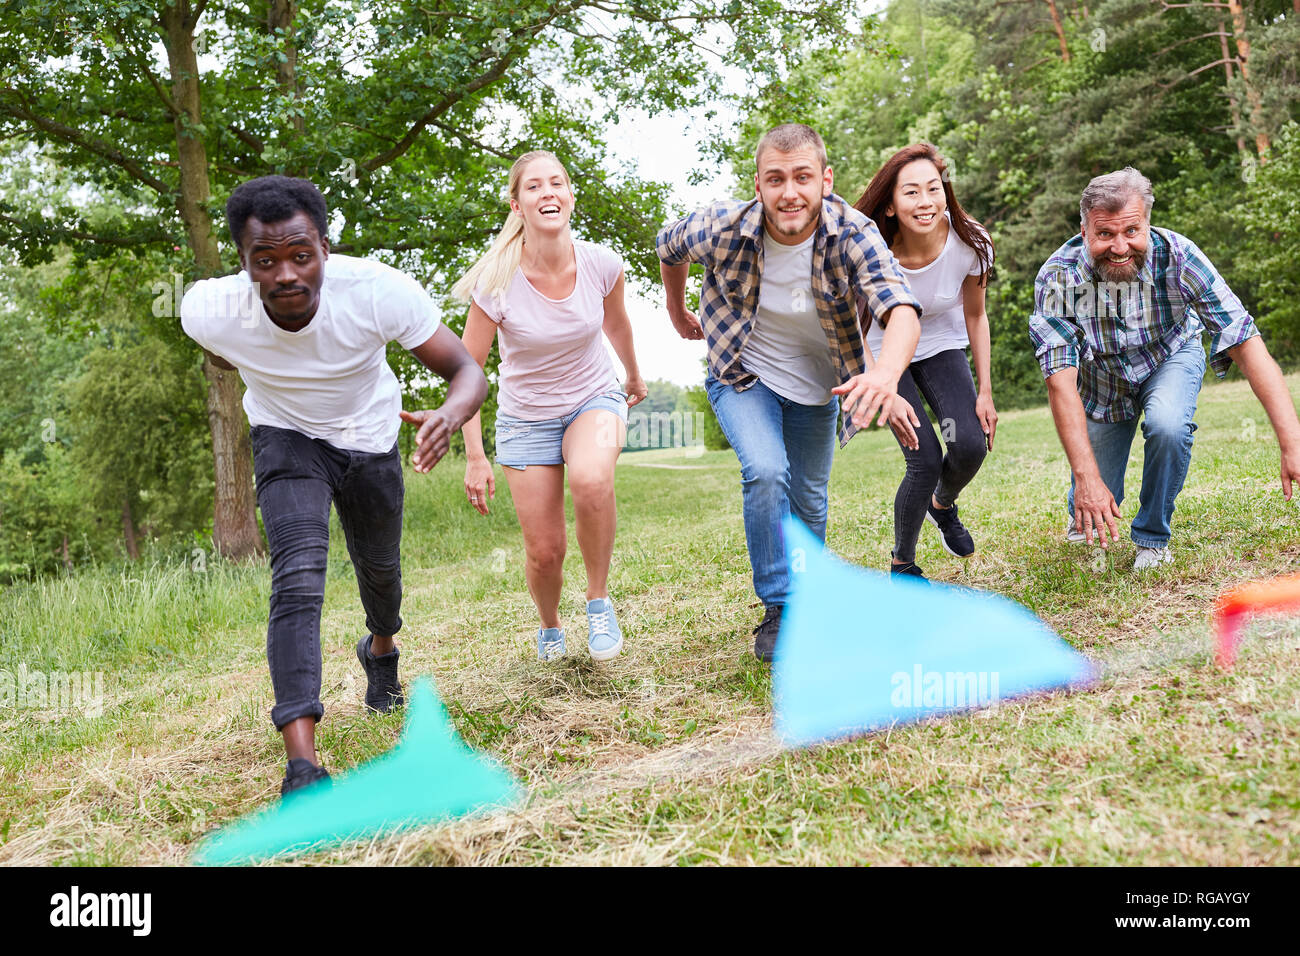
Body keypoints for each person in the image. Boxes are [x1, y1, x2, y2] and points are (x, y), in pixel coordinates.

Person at [181, 175, 487, 796]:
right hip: (286, 438)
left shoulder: (377, 291)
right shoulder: (209, 309)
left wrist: (450, 415)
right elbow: (222, 352)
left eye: (301, 255)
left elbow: (465, 369)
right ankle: (302, 765)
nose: (286, 274)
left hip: (371, 438)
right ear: (243, 264)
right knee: (296, 574)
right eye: (264, 261)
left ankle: (380, 649)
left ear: (325, 246)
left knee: (381, 574)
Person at [656, 123, 922, 662]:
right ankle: (779, 606)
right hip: (742, 373)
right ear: (759, 185)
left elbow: (901, 308)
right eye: (775, 179)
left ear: (825, 180)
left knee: (809, 499)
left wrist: (884, 376)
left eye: (802, 177)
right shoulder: (722, 226)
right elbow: (668, 245)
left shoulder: (853, 232)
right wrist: (674, 308)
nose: (790, 193)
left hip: (819, 385)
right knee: (765, 469)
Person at [1029, 166, 1300, 568]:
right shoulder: (1059, 278)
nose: (1120, 247)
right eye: (1105, 234)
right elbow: (1060, 382)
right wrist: (1087, 478)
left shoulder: (1180, 256)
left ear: (1147, 224)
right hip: (1100, 378)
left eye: (1131, 231)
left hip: (1169, 354)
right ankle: (1083, 510)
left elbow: (1243, 339)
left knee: (1168, 425)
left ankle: (1152, 538)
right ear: (1083, 230)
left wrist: (1291, 439)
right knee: (1093, 493)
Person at [453, 150, 647, 663]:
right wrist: (474, 456)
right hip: (524, 419)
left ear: (570, 197)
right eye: (534, 187)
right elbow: (466, 373)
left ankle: (599, 601)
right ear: (517, 205)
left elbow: (617, 325)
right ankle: (550, 625)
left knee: (590, 479)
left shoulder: (601, 263)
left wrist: (632, 372)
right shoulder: (495, 283)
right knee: (545, 552)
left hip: (594, 396)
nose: (548, 193)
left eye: (556, 183)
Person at [854, 143, 997, 579]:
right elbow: (852, 325)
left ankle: (942, 504)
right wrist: (877, 380)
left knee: (969, 444)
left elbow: (975, 314)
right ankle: (903, 563)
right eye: (911, 193)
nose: (925, 202)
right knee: (924, 456)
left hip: (939, 344)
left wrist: (986, 390)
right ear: (892, 205)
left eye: (933, 189)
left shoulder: (970, 242)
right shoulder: (868, 246)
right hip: (884, 350)